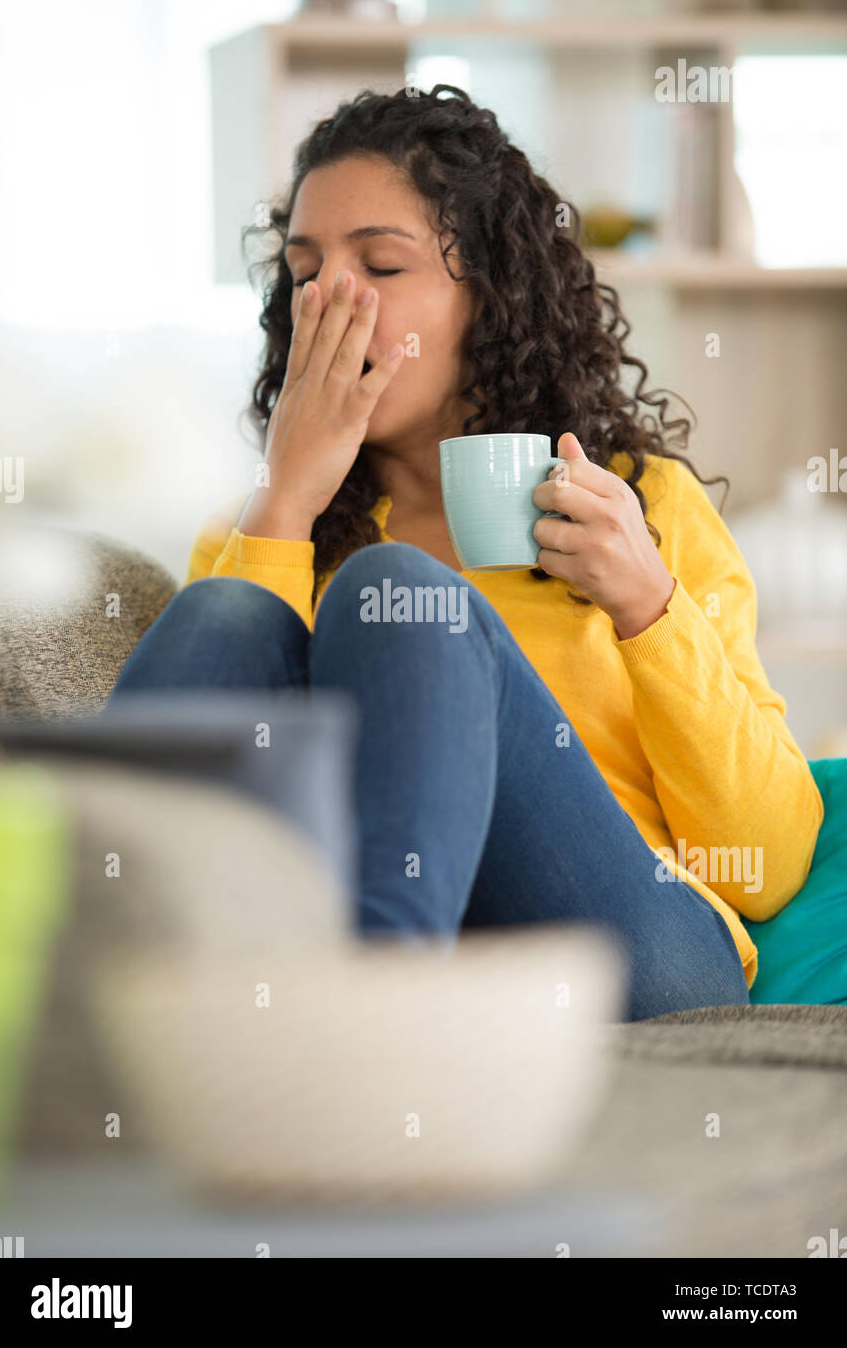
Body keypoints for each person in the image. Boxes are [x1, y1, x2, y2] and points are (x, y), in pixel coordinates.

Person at [110, 85, 823, 1021]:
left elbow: (765, 868)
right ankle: (99, 1000)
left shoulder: (640, 507)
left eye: (381, 264)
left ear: (488, 295)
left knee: (398, 593)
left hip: (634, 954)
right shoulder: (259, 533)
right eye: (306, 267)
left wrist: (650, 608)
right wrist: (288, 497)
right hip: (318, 942)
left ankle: (378, 1020)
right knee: (223, 611)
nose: (331, 299)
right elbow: (229, 827)